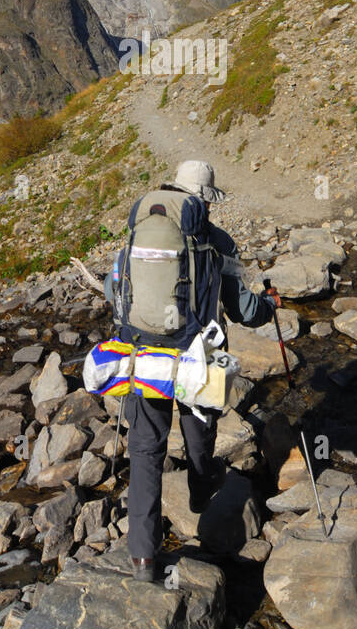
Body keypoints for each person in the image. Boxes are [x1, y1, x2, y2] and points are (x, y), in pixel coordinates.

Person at [104, 159, 281, 582]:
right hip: (197, 357)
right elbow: (242, 309)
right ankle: (202, 495)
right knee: (200, 432)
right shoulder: (218, 240)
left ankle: (143, 559)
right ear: (205, 199)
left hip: (142, 355)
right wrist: (270, 305)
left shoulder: (140, 228)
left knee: (146, 452)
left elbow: (116, 289)